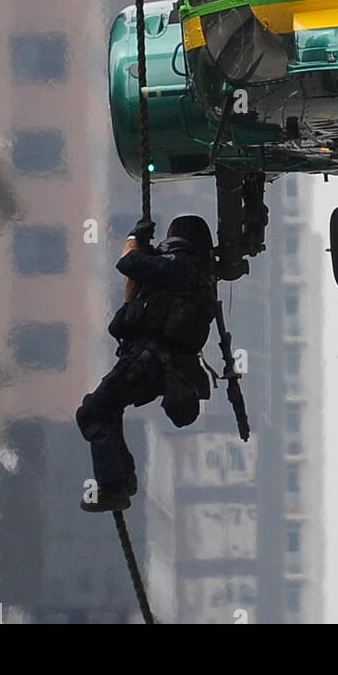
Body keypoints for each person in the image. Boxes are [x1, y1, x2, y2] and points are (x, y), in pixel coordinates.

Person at [76, 215, 218, 513]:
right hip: (155, 366)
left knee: (93, 412)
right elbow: (134, 296)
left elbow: (127, 264)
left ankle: (115, 486)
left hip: (144, 361)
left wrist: (132, 240)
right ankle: (122, 480)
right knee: (108, 411)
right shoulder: (198, 281)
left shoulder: (176, 270)